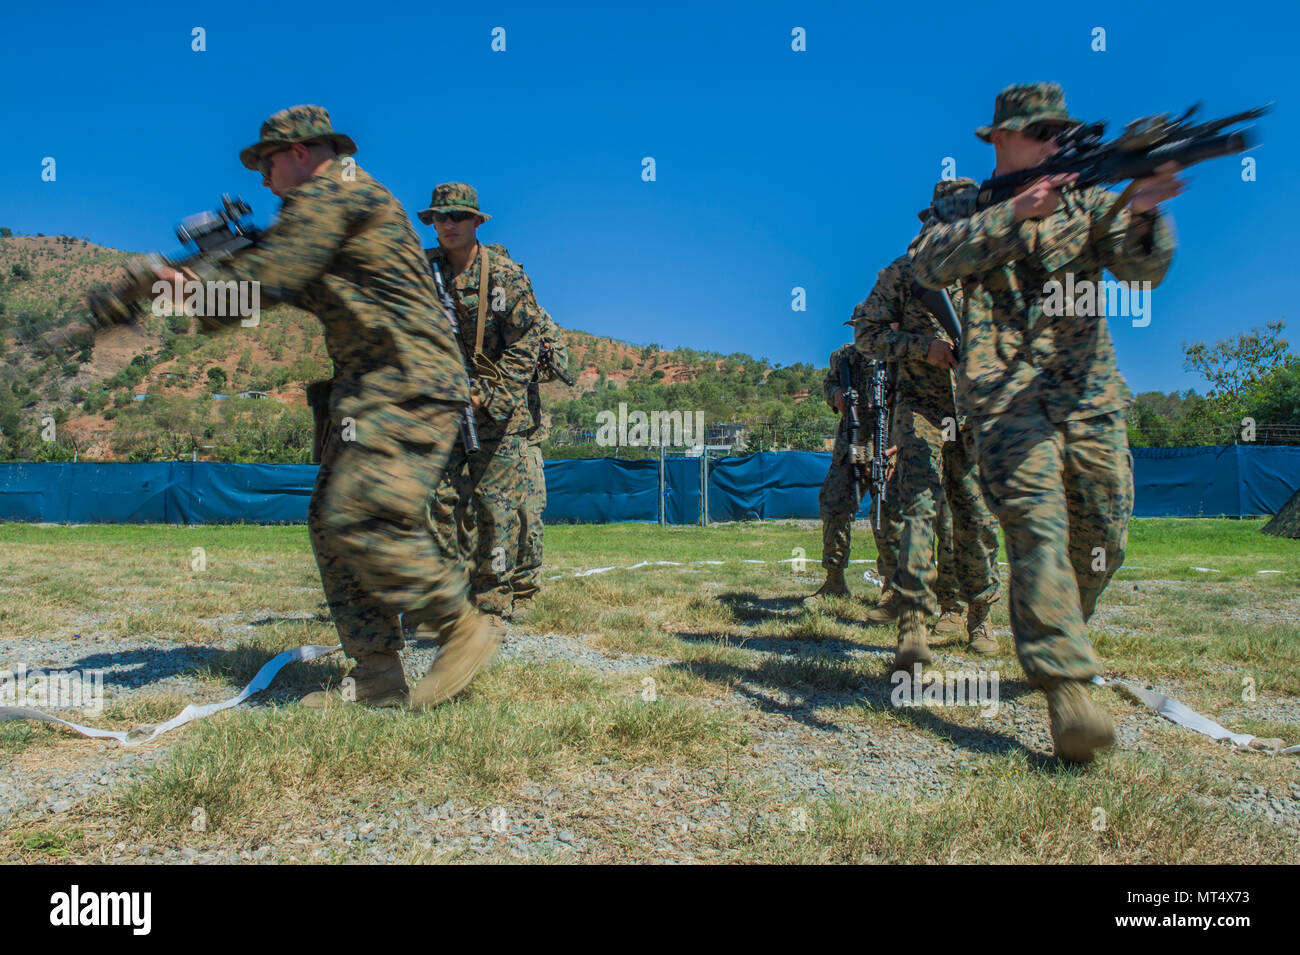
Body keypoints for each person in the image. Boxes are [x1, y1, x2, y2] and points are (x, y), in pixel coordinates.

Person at [152, 105, 500, 709]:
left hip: (406, 381)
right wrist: (196, 288)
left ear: (301, 152)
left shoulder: (338, 190)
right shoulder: (320, 212)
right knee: (330, 524)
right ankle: (377, 679)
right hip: (369, 389)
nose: (263, 178)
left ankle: (460, 626)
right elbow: (274, 280)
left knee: (361, 515)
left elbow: (275, 274)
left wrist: (197, 287)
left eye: (267, 161)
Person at [910, 83, 1182, 761]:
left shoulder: (1090, 199)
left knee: (1104, 528)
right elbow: (928, 262)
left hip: (1087, 392)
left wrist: (1146, 209)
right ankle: (1069, 693)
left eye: (1062, 131)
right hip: (1002, 398)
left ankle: (1061, 624)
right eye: (1041, 132)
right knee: (1037, 528)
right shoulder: (966, 205)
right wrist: (1016, 214)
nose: (1055, 142)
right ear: (1000, 137)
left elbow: (1143, 269)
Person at [854, 178, 1003, 661]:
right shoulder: (905, 271)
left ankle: (978, 617)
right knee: (919, 505)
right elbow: (867, 335)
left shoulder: (995, 270)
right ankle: (915, 619)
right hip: (920, 407)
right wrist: (925, 349)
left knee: (976, 519)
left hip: (976, 412)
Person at [420, 183, 545, 621]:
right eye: (440, 217)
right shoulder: (422, 272)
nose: (448, 224)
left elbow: (526, 343)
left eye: (457, 216)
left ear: (477, 222)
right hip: (440, 407)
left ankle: (493, 597)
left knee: (496, 509)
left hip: (495, 411)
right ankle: (445, 597)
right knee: (437, 502)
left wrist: (488, 397)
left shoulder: (505, 276)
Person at [808, 341, 902, 605]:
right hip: (853, 445)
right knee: (834, 503)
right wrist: (835, 393)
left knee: (886, 510)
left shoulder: (895, 352)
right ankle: (834, 581)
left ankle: (892, 584)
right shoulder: (843, 356)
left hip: (885, 446)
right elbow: (829, 384)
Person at [511, 310, 570, 609]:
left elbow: (559, 362)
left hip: (523, 436)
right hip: (472, 434)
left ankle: (522, 592)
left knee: (528, 518)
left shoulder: (529, 311)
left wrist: (531, 353)